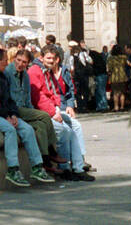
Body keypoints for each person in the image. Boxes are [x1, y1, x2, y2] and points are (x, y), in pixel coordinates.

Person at [0, 47, 52, 187]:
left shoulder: (1, 76)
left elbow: (9, 99)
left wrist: (12, 114)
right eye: (5, 60)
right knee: (10, 130)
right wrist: (7, 116)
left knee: (28, 129)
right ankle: (13, 169)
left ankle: (37, 167)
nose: (8, 63)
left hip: (2, 113)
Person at [29, 48, 94, 182]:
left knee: (75, 126)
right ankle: (64, 168)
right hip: (42, 112)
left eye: (53, 58)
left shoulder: (47, 71)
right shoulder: (35, 71)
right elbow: (37, 96)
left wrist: (58, 107)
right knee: (65, 130)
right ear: (41, 58)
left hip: (52, 109)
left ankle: (78, 166)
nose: (51, 61)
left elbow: (54, 93)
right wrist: (53, 112)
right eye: (48, 58)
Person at [107, 43, 128, 112]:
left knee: (115, 93)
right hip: (122, 76)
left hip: (114, 77)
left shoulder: (110, 58)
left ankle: (116, 107)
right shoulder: (124, 57)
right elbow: (126, 65)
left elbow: (109, 69)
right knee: (122, 93)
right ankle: (122, 107)